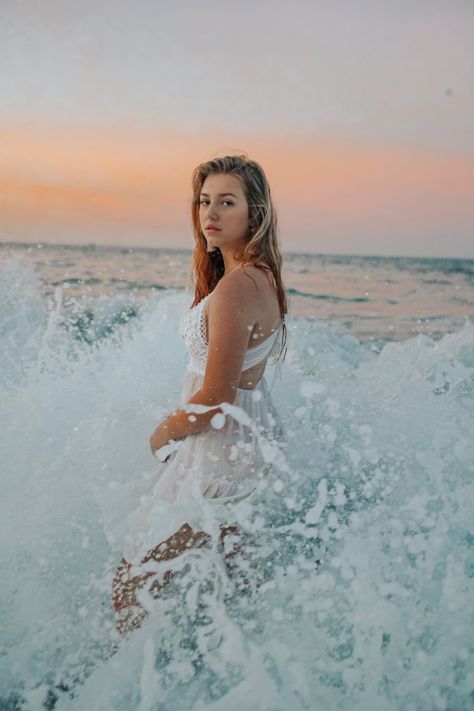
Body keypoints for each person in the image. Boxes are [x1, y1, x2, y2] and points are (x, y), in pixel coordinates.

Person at [108, 154, 288, 635]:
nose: (210, 213)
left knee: (134, 581)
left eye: (227, 202)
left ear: (256, 212)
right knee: (228, 585)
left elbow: (215, 399)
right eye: (205, 201)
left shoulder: (237, 287)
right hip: (238, 444)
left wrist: (164, 434)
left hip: (223, 450)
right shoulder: (256, 276)